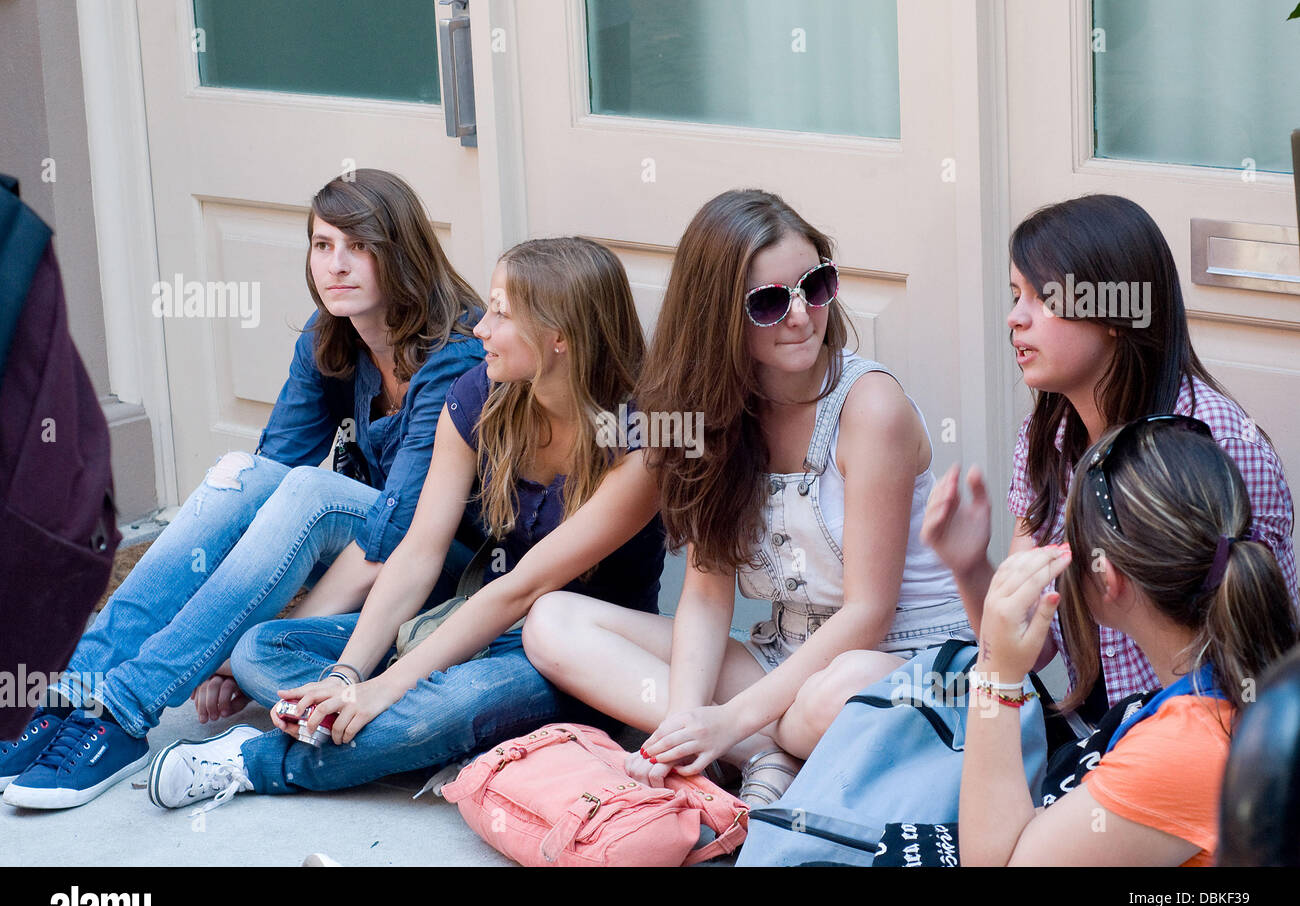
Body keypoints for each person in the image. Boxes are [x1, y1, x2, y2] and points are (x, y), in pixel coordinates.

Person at [0, 169, 485, 809]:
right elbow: (268, 476)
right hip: (369, 545)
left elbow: (400, 540)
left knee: (311, 491)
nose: (336, 266)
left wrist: (228, 655)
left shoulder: (454, 355)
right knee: (246, 474)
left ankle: (123, 711)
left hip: (444, 572)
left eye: (359, 247)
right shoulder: (329, 334)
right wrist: (218, 634)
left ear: (402, 252)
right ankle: (70, 688)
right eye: (321, 245)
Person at [144, 236, 666, 810]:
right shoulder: (482, 396)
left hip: (574, 657)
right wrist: (348, 677)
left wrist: (382, 690)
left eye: (501, 313)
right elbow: (419, 549)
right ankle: (433, 735)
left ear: (560, 337)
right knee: (259, 651)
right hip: (468, 620)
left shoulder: (637, 442)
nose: (479, 330)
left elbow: (524, 589)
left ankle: (254, 761)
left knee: (450, 703)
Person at [522, 189, 970, 808]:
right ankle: (764, 755)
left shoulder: (871, 409)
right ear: (718, 315)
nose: (799, 315)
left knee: (828, 695)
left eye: (814, 286)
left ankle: (756, 745)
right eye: (768, 301)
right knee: (553, 623)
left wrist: (726, 721)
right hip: (784, 657)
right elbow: (706, 594)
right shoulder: (716, 418)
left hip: (905, 660)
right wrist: (684, 721)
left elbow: (869, 613)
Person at [922, 193, 1296, 717]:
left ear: (1117, 312)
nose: (1014, 318)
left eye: (1044, 298)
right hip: (1105, 737)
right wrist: (969, 567)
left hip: (1201, 741)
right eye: (1015, 294)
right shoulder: (1046, 437)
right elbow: (1032, 647)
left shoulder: (1220, 449)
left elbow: (1259, 661)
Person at [960, 416, 1297, 865]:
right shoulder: (1236, 689)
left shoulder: (1188, 744)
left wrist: (997, 677)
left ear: (1108, 578)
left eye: (1070, 541)